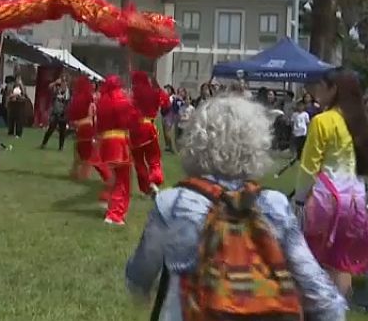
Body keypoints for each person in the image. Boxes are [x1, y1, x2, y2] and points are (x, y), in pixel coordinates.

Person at [126, 96, 346, 320]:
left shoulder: (172, 202)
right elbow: (323, 297)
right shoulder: (274, 204)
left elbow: (139, 276)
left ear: (195, 142)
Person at [295, 68, 368, 296]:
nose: (316, 90)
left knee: (314, 261)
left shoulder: (323, 121)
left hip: (327, 199)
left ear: (333, 89)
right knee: (341, 263)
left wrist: (298, 200)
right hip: (356, 199)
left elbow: (309, 167)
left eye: (321, 86)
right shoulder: (359, 121)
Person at [96, 75, 137, 225]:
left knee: (113, 178)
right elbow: (132, 120)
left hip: (106, 142)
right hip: (119, 142)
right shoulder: (122, 100)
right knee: (123, 180)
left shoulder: (102, 101)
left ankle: (110, 207)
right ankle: (115, 214)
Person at [130, 71, 168, 197]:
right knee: (154, 158)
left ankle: (146, 188)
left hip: (135, 129)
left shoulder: (132, 94)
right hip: (149, 127)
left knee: (139, 161)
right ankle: (154, 180)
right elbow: (166, 104)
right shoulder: (155, 92)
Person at [66, 75, 108, 183]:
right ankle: (84, 176)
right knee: (89, 157)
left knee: (79, 154)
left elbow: (71, 118)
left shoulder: (75, 99)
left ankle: (74, 174)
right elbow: (91, 116)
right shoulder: (89, 98)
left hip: (79, 129)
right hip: (88, 128)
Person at [40, 77, 70, 149]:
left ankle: (61, 146)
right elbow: (49, 87)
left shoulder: (68, 92)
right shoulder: (57, 89)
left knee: (62, 131)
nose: (63, 83)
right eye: (62, 82)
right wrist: (55, 82)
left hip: (63, 113)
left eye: (65, 82)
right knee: (51, 129)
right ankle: (44, 143)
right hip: (55, 112)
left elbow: (68, 101)